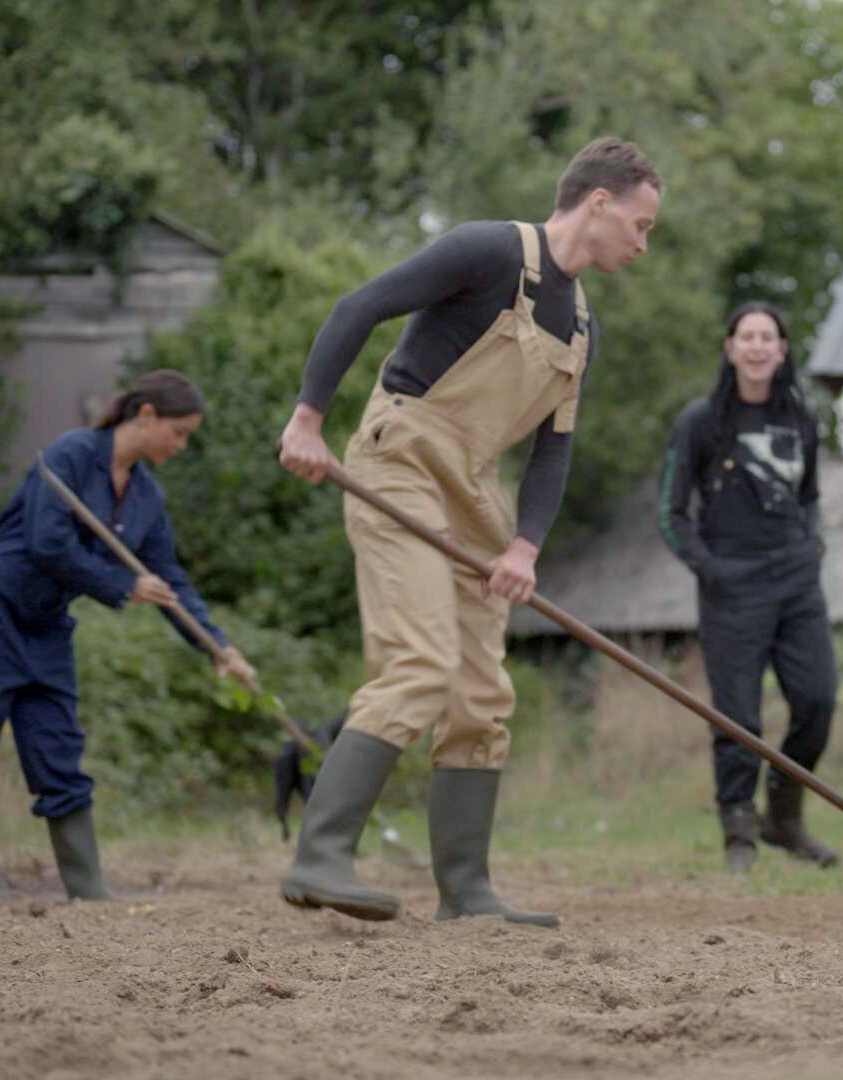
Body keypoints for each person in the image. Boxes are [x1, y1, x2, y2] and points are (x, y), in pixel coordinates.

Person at [275, 136, 662, 928]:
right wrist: (307, 418)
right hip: (401, 462)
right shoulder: (490, 250)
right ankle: (320, 855)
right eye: (642, 223)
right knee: (419, 661)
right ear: (599, 203)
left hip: (473, 494)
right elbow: (361, 306)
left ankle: (467, 891)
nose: (644, 242)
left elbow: (554, 451)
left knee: (482, 694)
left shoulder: (582, 328)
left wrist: (524, 547)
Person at [0, 369, 253, 909]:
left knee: (59, 757)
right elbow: (47, 543)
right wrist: (121, 585)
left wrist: (217, 647)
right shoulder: (71, 454)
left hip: (47, 629)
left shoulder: (146, 498)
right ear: (146, 414)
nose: (182, 445)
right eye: (179, 432)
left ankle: (87, 890)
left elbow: (171, 582)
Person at [658, 301, 839, 874]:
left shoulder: (801, 419)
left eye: (769, 337)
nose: (758, 346)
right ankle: (739, 831)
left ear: (782, 351)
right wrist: (708, 567)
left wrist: (812, 543)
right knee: (737, 716)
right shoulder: (700, 422)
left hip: (796, 580)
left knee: (817, 700)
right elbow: (670, 510)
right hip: (731, 584)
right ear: (730, 348)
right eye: (748, 336)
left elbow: (809, 494)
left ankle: (784, 818)